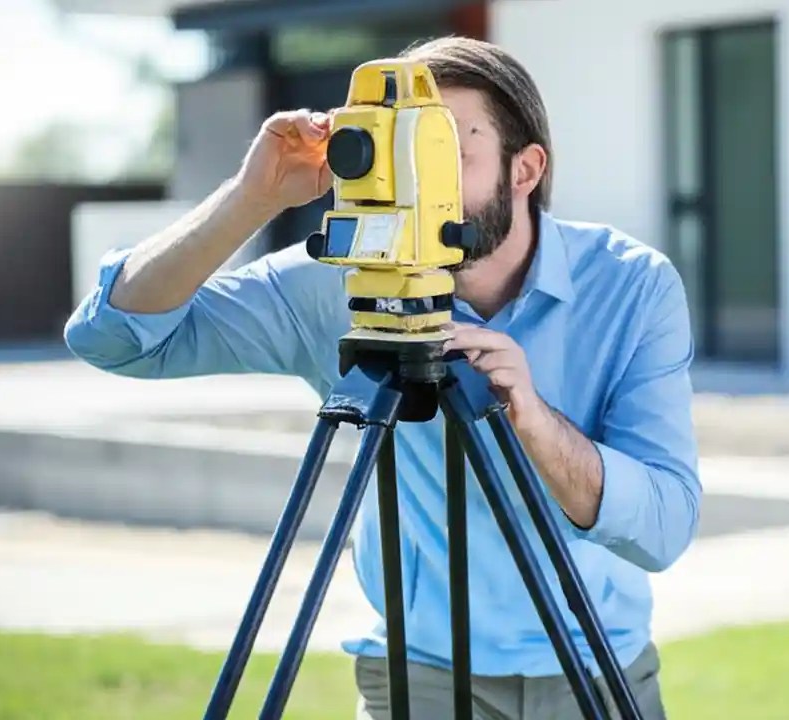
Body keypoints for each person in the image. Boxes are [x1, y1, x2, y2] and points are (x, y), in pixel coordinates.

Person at [65, 36, 700, 720]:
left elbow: (663, 529)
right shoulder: (339, 287)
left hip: (598, 666)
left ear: (526, 170)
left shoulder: (632, 285)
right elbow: (113, 337)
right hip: (417, 675)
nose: (415, 180)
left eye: (444, 151)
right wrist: (252, 199)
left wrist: (536, 423)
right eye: (402, 150)